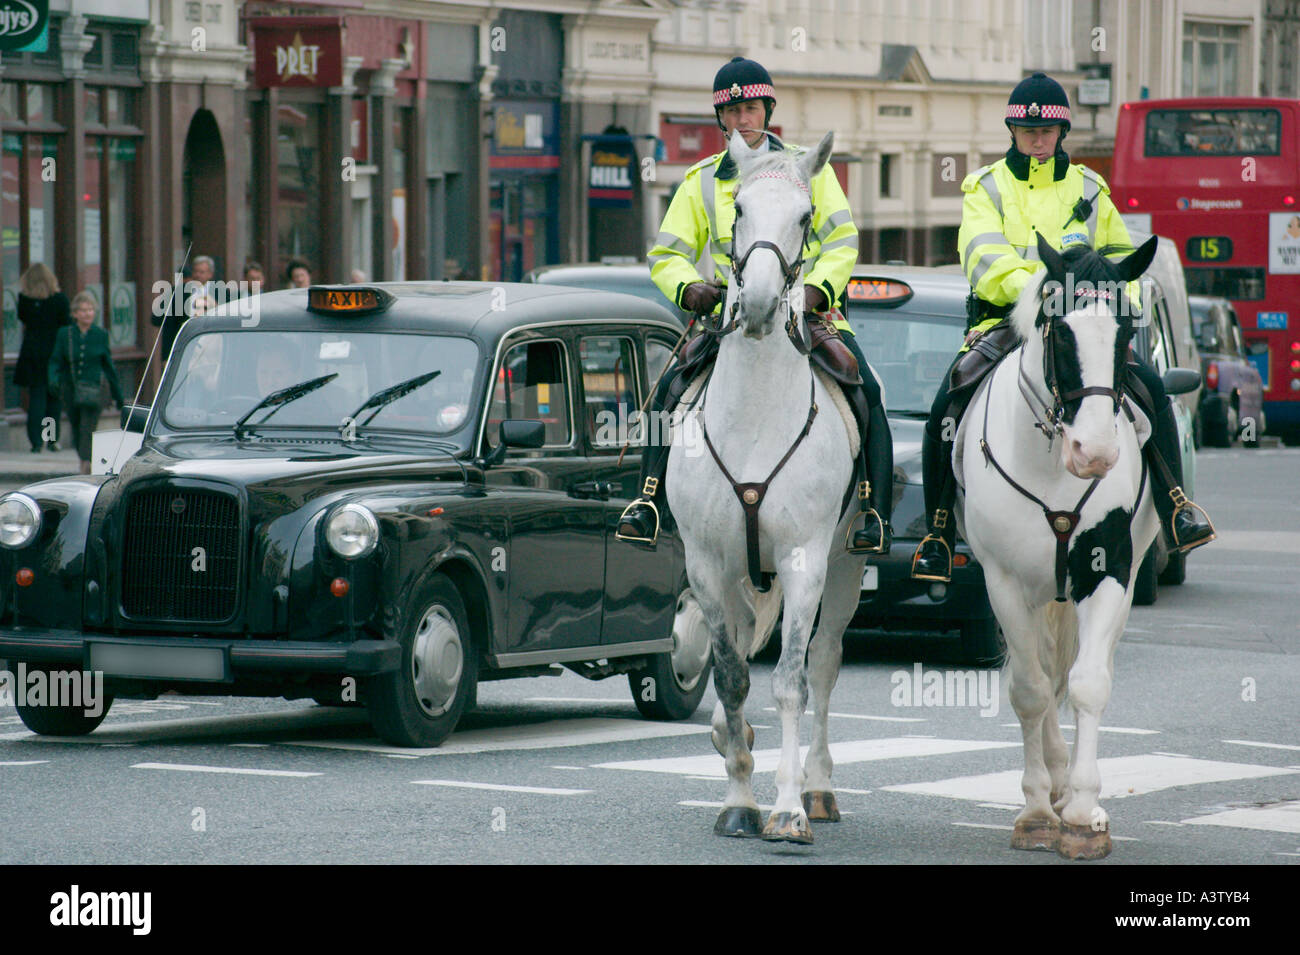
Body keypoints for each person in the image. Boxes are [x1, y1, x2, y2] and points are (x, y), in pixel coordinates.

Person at [910, 72, 1215, 583]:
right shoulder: (985, 186)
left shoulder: (1090, 188)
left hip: (1086, 322)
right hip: (1010, 321)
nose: (1037, 137)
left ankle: (1176, 510)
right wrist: (1045, 294)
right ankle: (938, 532)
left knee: (1152, 392)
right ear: (1012, 130)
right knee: (950, 400)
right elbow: (983, 256)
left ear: (1061, 134)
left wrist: (1118, 299)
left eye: (1046, 130)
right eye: (1027, 129)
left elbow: (1120, 256)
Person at [616, 56, 894, 555]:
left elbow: (842, 239)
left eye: (752, 108)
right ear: (720, 118)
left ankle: (873, 511)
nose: (744, 119)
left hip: (808, 310)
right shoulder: (701, 179)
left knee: (865, 387)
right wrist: (688, 289)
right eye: (734, 110)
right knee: (670, 390)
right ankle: (649, 499)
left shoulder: (807, 168)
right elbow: (667, 254)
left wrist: (818, 291)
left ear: (767, 110)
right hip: (729, 317)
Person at [48, 292, 125, 475]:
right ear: (75, 314)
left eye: (90, 310)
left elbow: (108, 366)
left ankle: (85, 464)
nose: (87, 314)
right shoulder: (64, 334)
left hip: (95, 389)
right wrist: (53, 378)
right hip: (71, 388)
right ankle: (85, 458)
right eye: (83, 310)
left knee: (87, 427)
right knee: (76, 426)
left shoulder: (100, 335)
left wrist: (118, 396)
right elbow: (55, 359)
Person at [15, 263, 70, 453]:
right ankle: (52, 440)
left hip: (32, 354)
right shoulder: (60, 300)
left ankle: (36, 442)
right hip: (54, 353)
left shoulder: (25, 300)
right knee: (53, 400)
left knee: (36, 400)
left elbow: (23, 319)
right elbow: (66, 324)